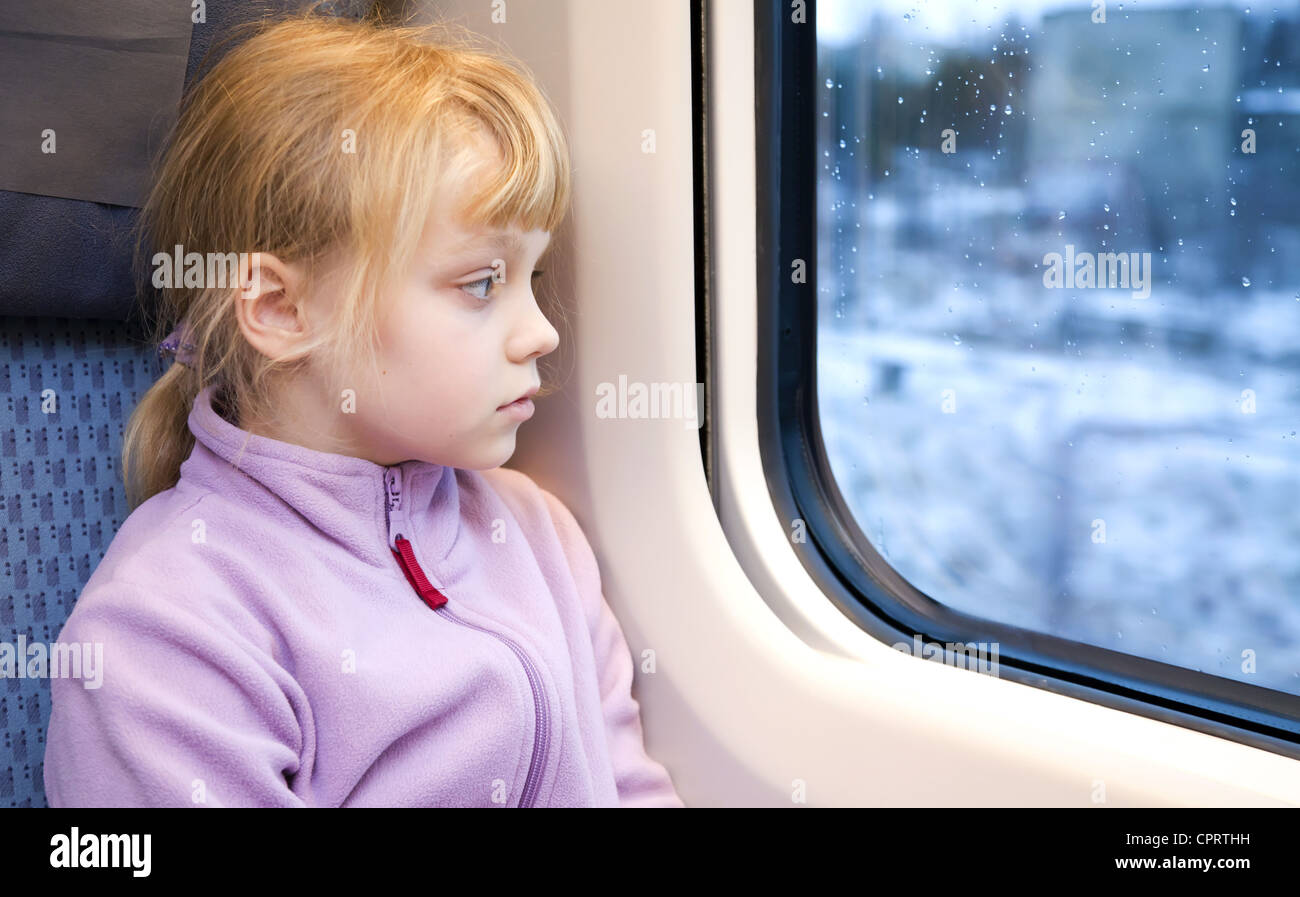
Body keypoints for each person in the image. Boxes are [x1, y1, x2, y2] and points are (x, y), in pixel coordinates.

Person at [42, 5, 683, 808]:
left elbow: (630, 788)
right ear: (281, 310)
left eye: (535, 278)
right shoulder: (171, 629)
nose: (543, 332)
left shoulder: (537, 535)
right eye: (481, 282)